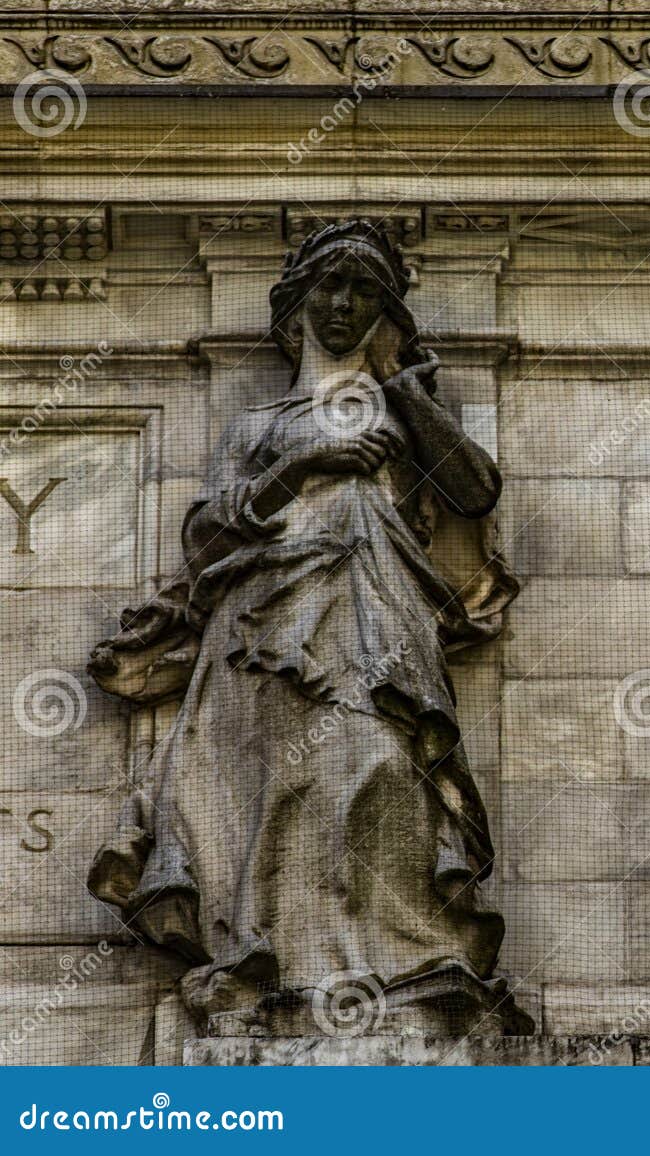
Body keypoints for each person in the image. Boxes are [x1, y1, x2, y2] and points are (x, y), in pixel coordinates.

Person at [88, 219, 524, 1035]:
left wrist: (402, 389)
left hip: (380, 612)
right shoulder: (260, 426)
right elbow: (208, 534)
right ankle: (274, 966)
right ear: (295, 308)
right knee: (283, 787)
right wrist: (302, 468)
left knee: (379, 766)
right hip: (269, 626)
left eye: (363, 290)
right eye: (328, 286)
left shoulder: (404, 407)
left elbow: (473, 489)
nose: (342, 303)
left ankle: (400, 960)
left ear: (385, 310)